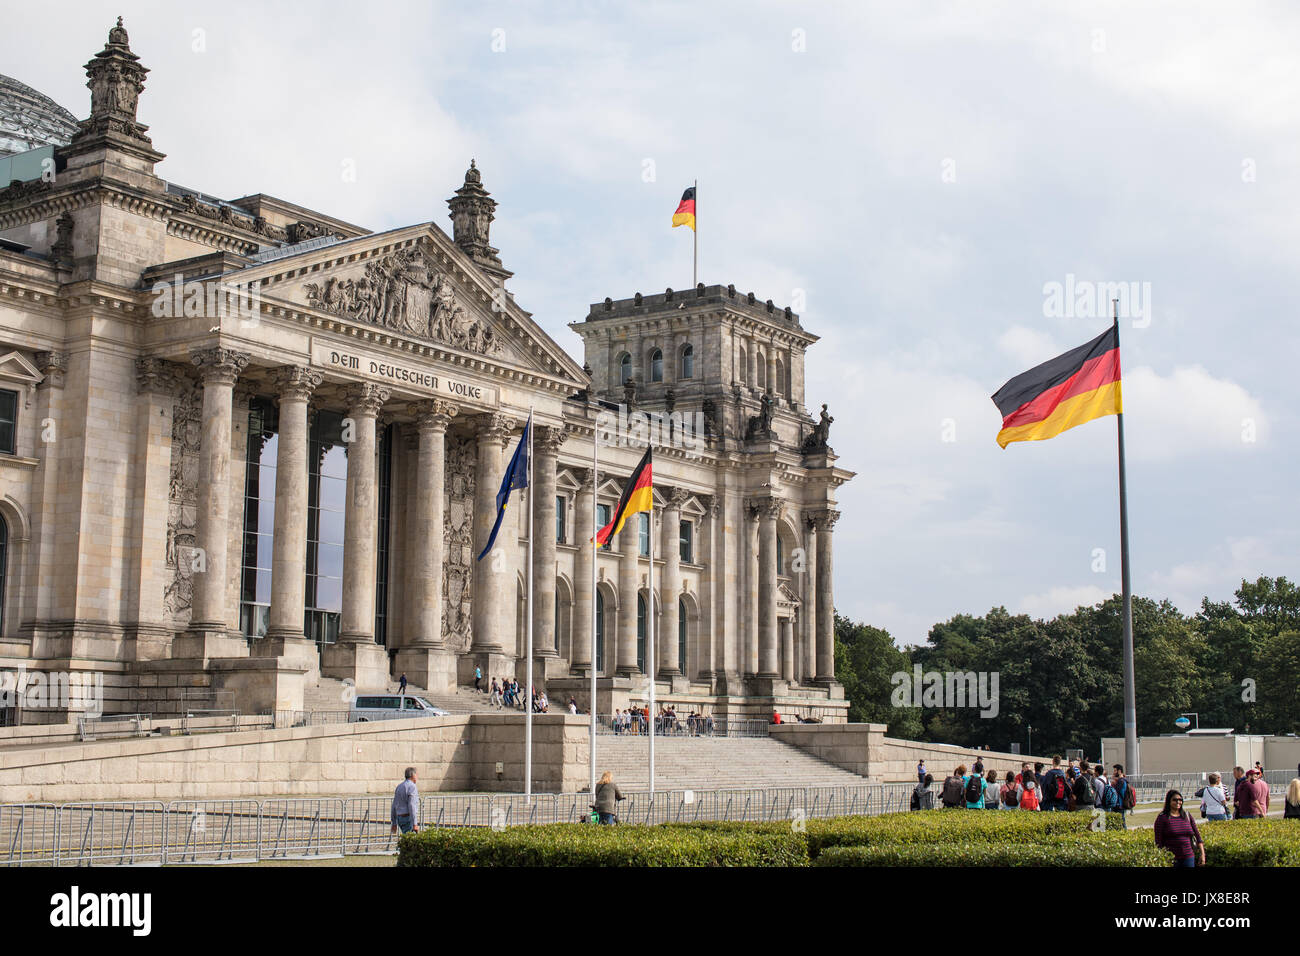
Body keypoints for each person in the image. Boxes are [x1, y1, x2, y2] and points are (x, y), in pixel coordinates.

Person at [1154, 790, 1204, 868]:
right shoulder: (1162, 818)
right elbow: (1158, 841)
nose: (1178, 802)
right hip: (1171, 859)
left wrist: (1202, 854)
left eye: (1180, 800)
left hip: (1188, 858)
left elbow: (1198, 836)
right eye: (1175, 800)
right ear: (1169, 801)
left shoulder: (1187, 816)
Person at [390, 766, 419, 835]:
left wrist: (394, 822)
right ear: (413, 775)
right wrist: (415, 823)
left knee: (406, 838)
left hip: (400, 817)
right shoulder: (412, 787)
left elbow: (394, 805)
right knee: (411, 841)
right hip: (408, 818)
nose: (417, 777)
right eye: (416, 775)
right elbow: (412, 805)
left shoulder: (400, 786)